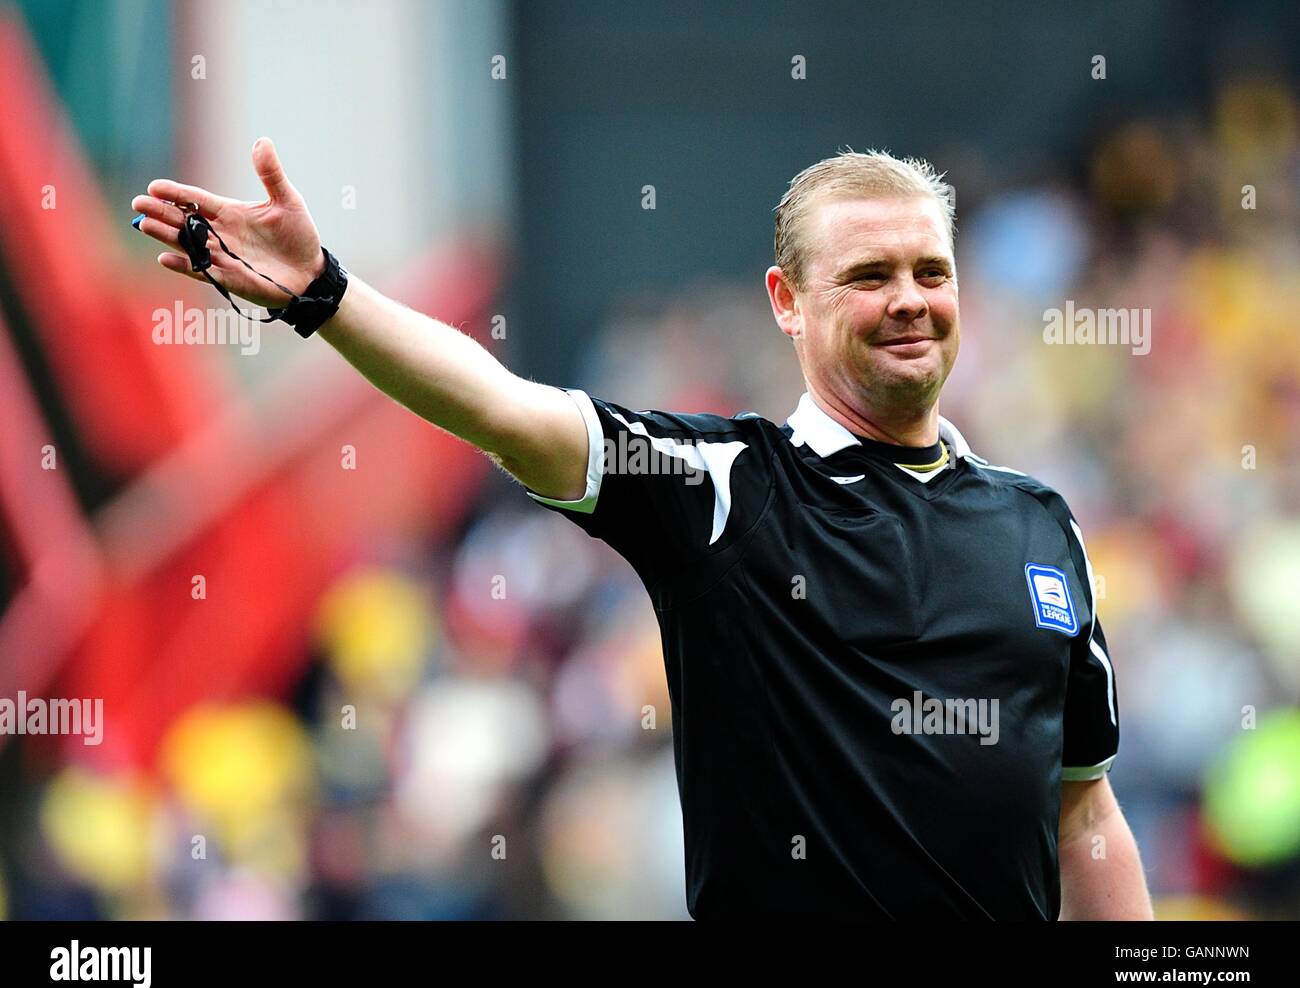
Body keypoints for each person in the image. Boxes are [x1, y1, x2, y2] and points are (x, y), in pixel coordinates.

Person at [131, 140, 1153, 920]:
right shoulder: (722, 488)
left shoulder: (1040, 524)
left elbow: (1085, 812)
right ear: (787, 302)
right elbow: (504, 408)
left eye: (931, 272)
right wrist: (325, 294)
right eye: (868, 275)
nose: (909, 301)